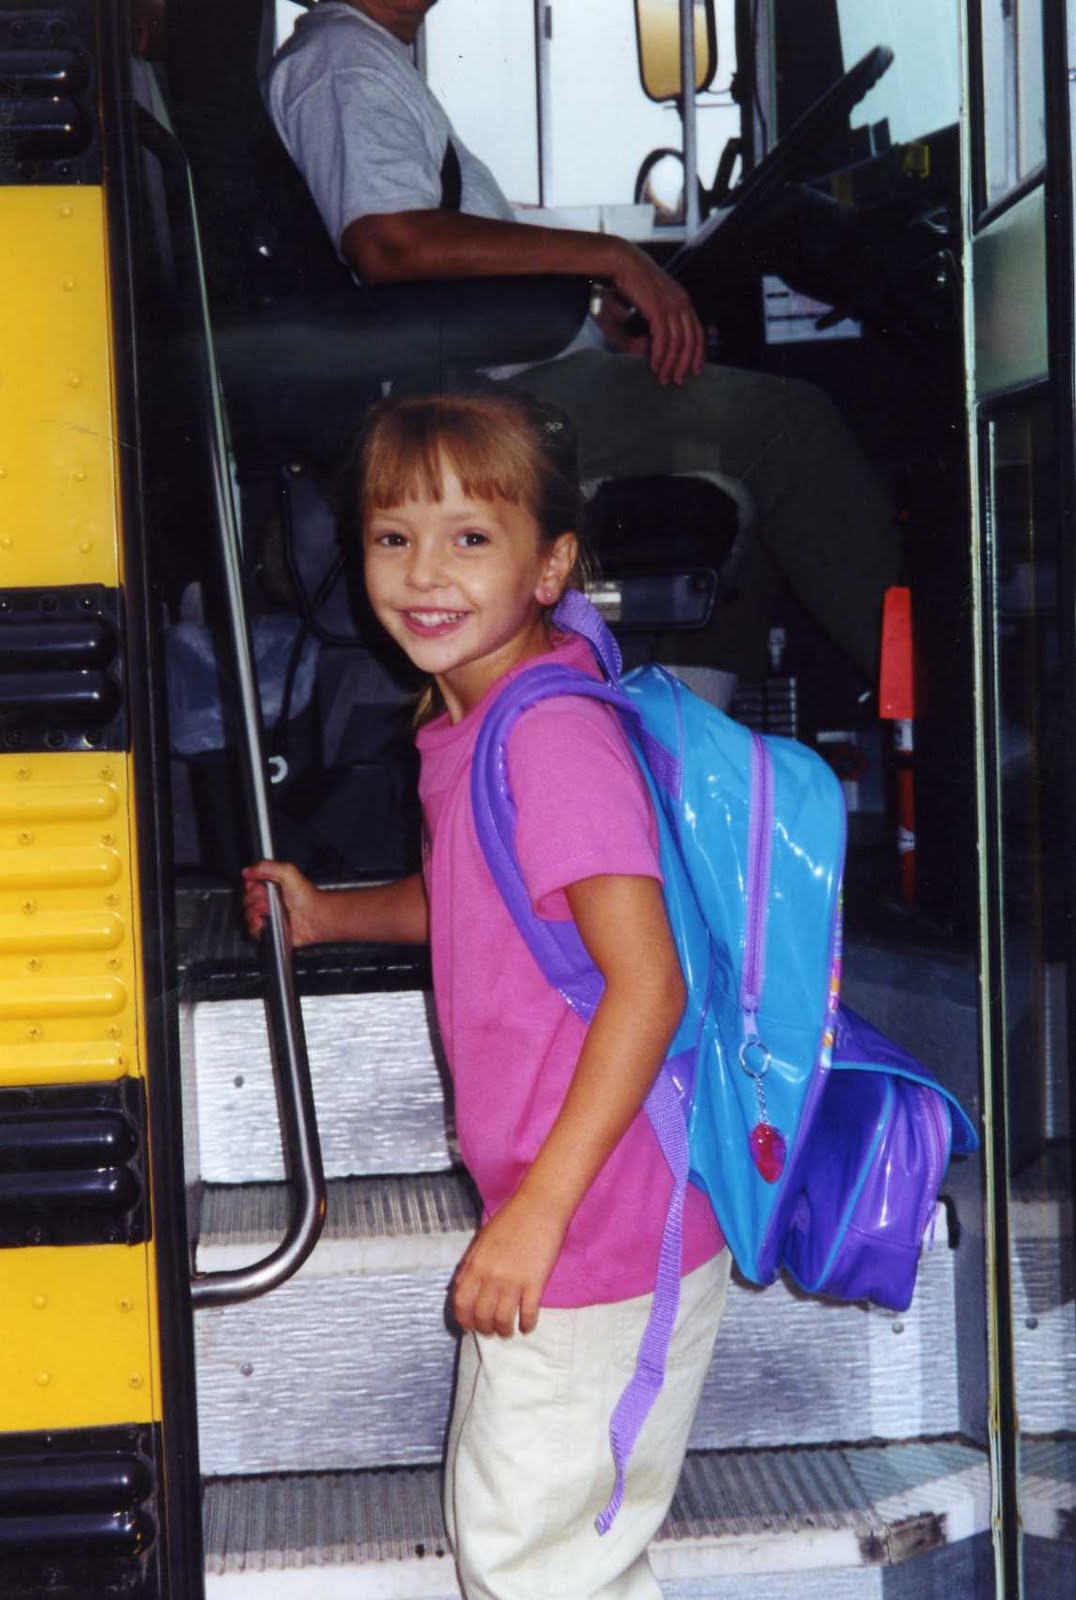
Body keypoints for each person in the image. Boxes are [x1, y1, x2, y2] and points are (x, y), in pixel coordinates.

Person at [242, 391, 730, 1598]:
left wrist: (535, 1217)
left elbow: (647, 984)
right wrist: (333, 914)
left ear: (550, 562)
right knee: (532, 1542)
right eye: (391, 535)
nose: (424, 572)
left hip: (603, 1221)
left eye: (470, 537)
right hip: (573, 1212)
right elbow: (480, 892)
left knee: (532, 1562)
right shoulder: (470, 720)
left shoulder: (546, 737)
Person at [264, 0, 901, 701]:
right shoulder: (341, 61)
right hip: (472, 406)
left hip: (503, 374)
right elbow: (390, 243)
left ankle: (685, 756)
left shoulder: (369, 59)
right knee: (787, 428)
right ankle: (934, 712)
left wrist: (591, 323)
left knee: (738, 474)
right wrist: (609, 255)